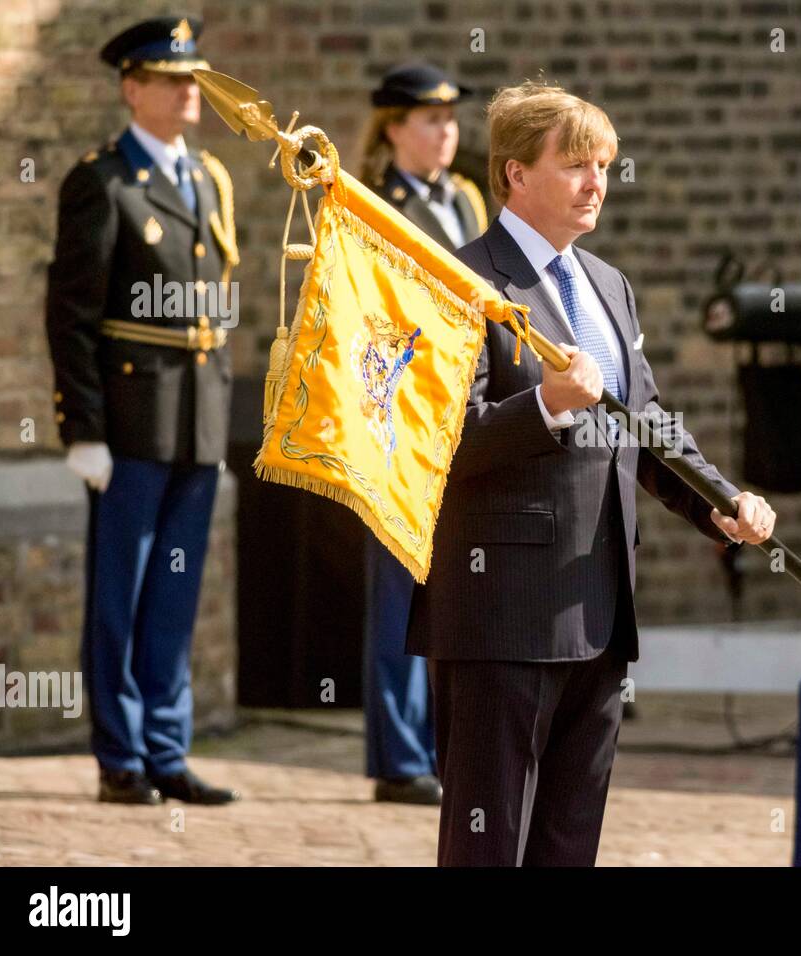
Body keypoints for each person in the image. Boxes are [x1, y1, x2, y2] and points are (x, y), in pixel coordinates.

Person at [407, 81, 776, 865]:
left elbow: (647, 425)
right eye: (576, 164)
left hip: (599, 608)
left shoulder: (608, 285)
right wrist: (542, 405)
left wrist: (721, 497)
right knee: (489, 838)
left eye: (605, 164)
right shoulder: (457, 279)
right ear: (514, 174)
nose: (597, 182)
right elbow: (437, 444)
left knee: (570, 841)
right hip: (501, 612)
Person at [45, 15, 240, 805]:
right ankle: (121, 756)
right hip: (127, 423)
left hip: (195, 418)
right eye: (170, 78)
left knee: (174, 593)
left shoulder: (209, 178)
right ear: (133, 89)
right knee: (121, 596)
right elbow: (71, 314)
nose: (188, 90)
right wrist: (81, 428)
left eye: (193, 77)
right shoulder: (102, 181)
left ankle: (167, 748)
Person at [356, 64, 488, 806]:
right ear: (394, 128)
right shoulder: (378, 205)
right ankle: (399, 758)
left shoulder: (467, 198)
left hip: (462, 411)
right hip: (401, 414)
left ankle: (446, 747)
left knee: (458, 589)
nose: (446, 132)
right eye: (430, 119)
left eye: (451, 119)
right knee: (400, 591)